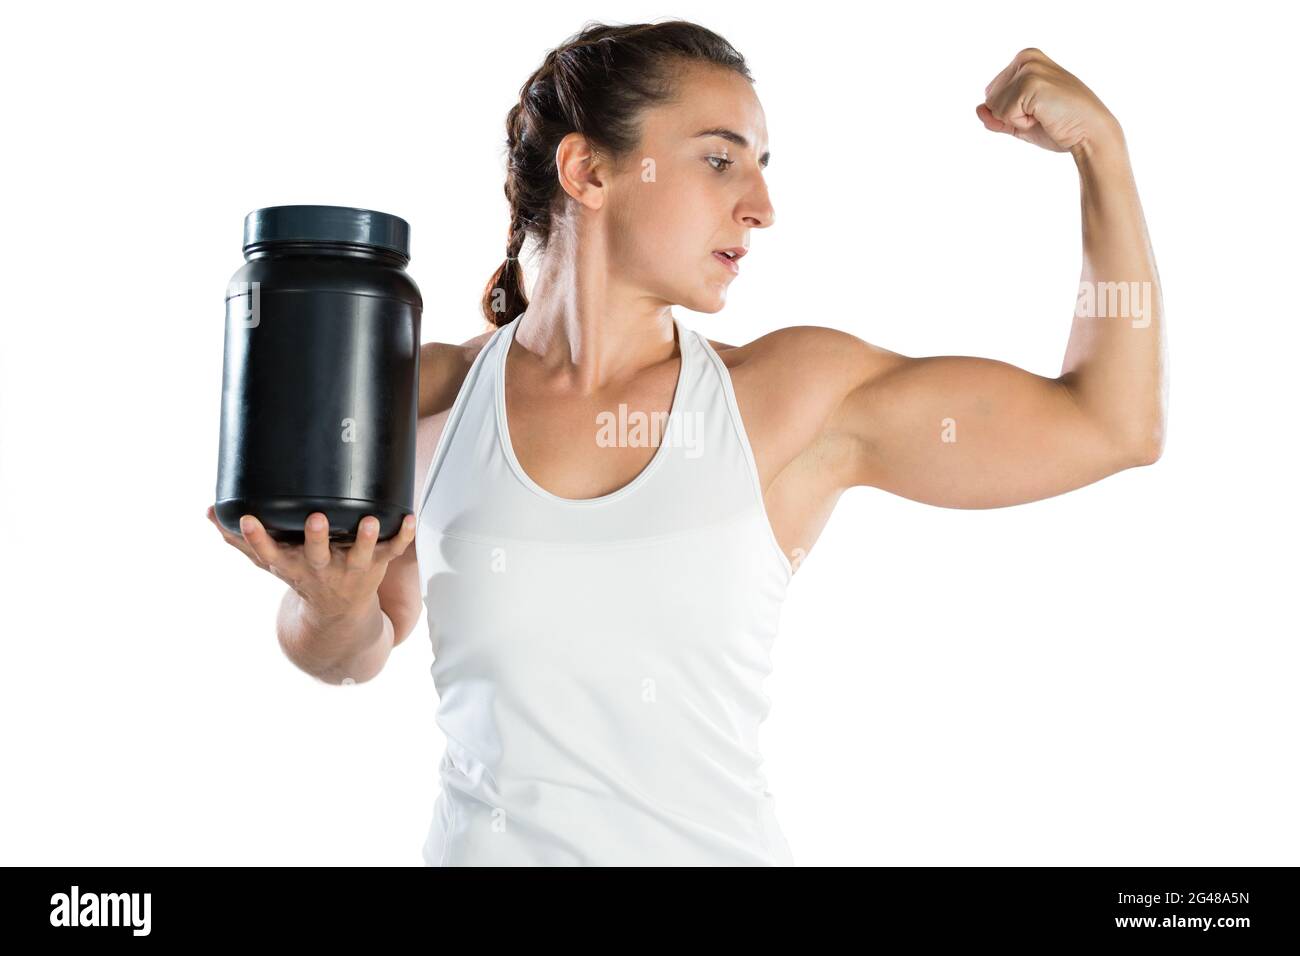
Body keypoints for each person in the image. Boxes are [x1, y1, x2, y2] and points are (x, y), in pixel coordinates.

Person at [207, 20, 1165, 865]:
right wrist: (327, 611)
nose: (760, 205)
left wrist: (1102, 153)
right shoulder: (422, 398)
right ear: (589, 172)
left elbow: (1110, 426)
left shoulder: (790, 397)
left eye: (760, 167)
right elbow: (351, 647)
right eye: (719, 160)